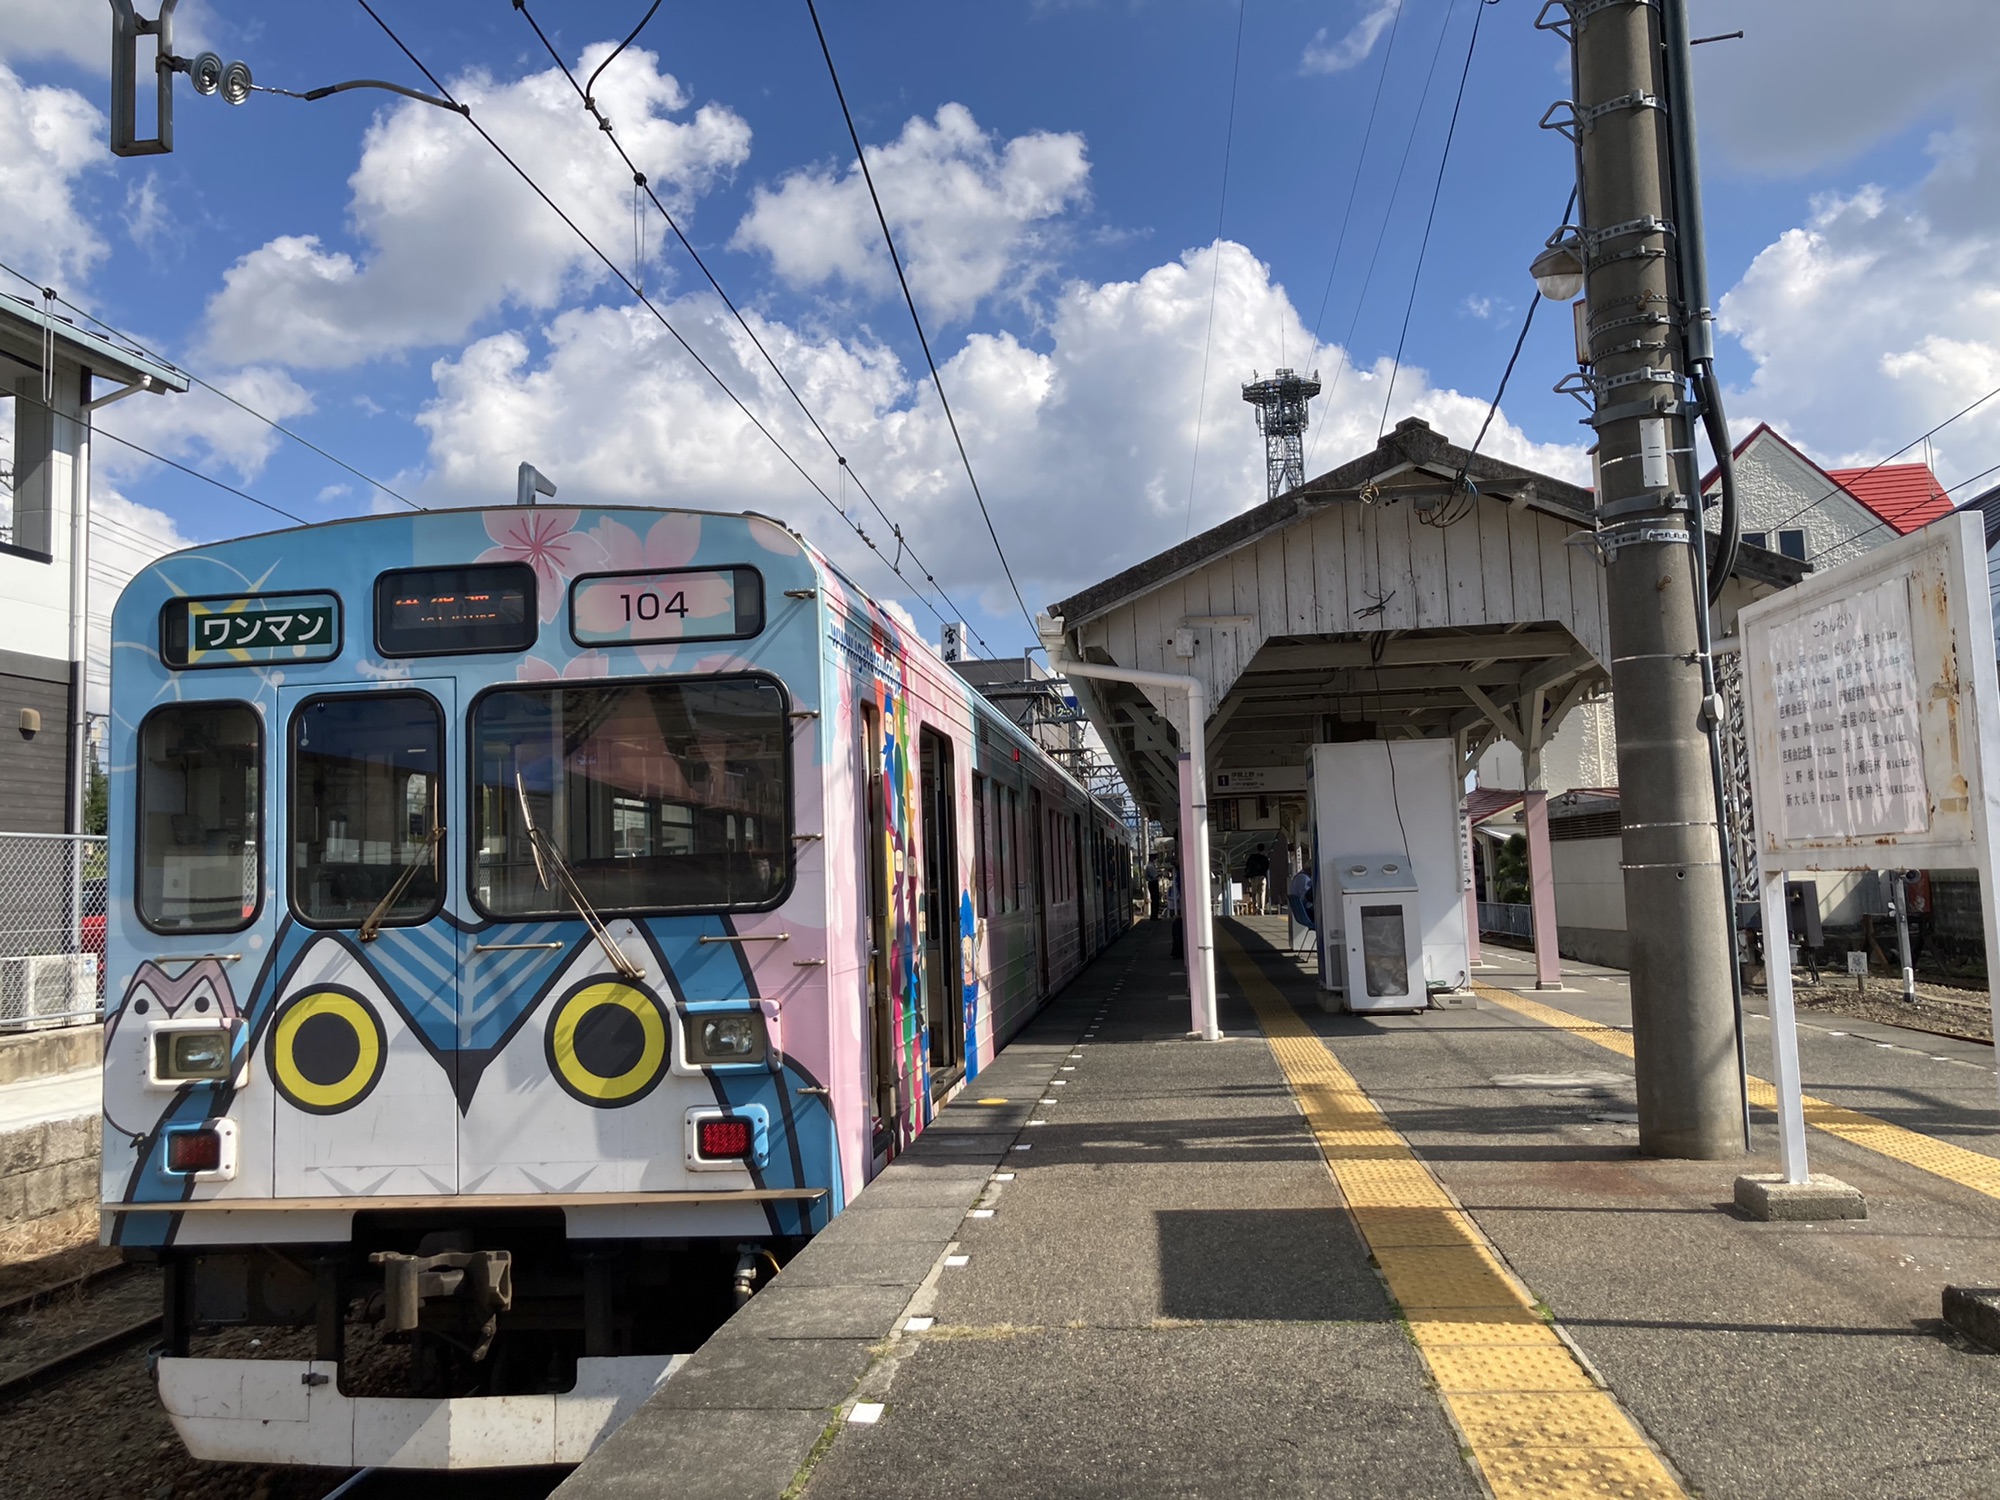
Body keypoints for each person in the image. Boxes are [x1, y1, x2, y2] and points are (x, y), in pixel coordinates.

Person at [1243, 843, 1271, 916]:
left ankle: (1255, 909)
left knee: (1254, 893)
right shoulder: (1265, 858)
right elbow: (1267, 867)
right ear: (1263, 849)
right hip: (1262, 877)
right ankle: (1261, 910)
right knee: (1262, 893)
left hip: (1254, 877)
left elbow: (1247, 865)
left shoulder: (1253, 857)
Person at [1166, 863, 1184, 958]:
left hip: (1178, 905)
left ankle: (1177, 950)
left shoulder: (1178, 877)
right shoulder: (1179, 876)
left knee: (1177, 925)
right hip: (1177, 905)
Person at [1145, 855, 1163, 920]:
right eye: (1155, 858)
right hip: (1153, 883)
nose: (1155, 860)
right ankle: (1154, 916)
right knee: (1155, 899)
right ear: (1152, 859)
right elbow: (1154, 876)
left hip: (1152, 883)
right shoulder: (1150, 866)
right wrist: (1160, 873)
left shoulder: (1151, 866)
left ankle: (1154, 915)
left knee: (1155, 899)